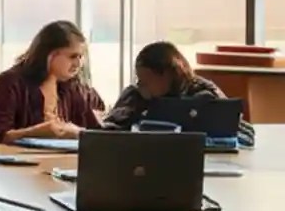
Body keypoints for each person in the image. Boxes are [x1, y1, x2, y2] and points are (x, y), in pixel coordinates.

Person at [102, 41, 255, 146]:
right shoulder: (134, 96)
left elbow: (239, 134)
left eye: (148, 79)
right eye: (139, 78)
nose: (141, 84)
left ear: (168, 75)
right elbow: (106, 132)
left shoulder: (203, 93)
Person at [0, 20, 106, 144]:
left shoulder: (76, 88)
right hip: (20, 160)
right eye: (72, 57)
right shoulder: (9, 83)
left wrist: (77, 131)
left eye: (80, 57)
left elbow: (101, 127)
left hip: (65, 161)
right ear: (50, 55)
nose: (78, 64)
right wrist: (36, 132)